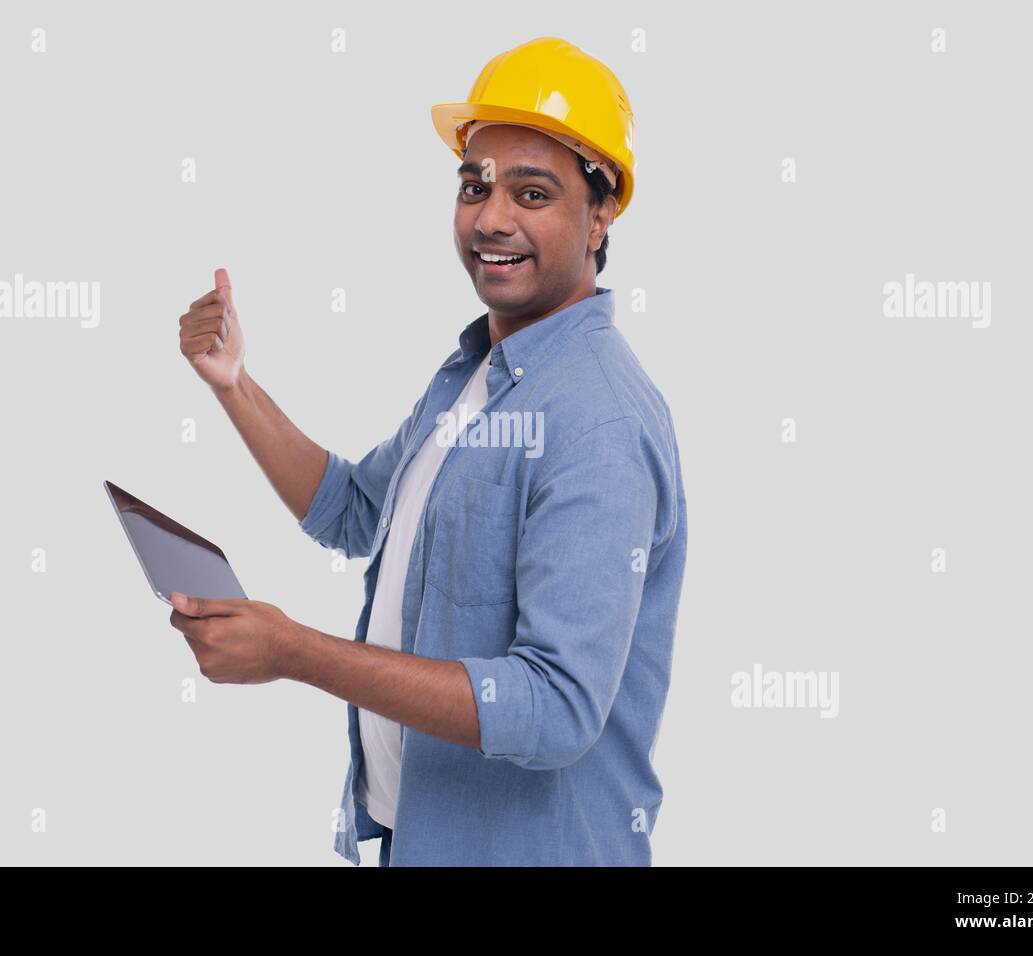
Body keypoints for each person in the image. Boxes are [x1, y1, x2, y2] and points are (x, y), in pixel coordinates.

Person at [168, 36, 687, 866]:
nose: (491, 218)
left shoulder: (599, 424)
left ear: (601, 215)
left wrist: (293, 651)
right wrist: (235, 384)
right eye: (475, 186)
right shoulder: (475, 375)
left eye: (533, 192)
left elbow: (555, 707)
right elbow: (352, 511)